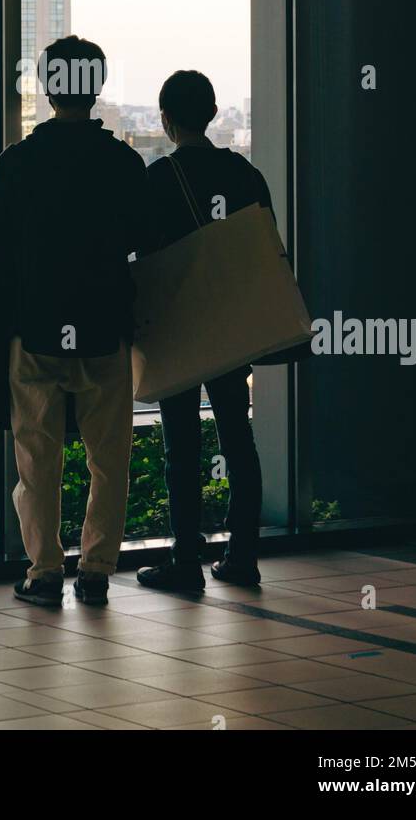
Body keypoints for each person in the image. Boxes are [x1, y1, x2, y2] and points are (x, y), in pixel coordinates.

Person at [0, 35, 148, 608]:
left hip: (35, 323)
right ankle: (97, 569)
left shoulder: (21, 160)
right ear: (95, 89)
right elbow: (140, 237)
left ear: (47, 89)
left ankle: (44, 571)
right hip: (104, 326)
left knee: (37, 457)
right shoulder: (121, 162)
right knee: (109, 457)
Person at [136, 70, 271, 592]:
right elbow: (263, 245)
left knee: (182, 446)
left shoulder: (157, 179)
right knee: (239, 438)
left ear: (166, 120)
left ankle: (185, 561)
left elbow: (139, 251)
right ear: (213, 114)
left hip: (177, 330)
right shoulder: (243, 173)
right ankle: (243, 557)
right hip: (231, 326)